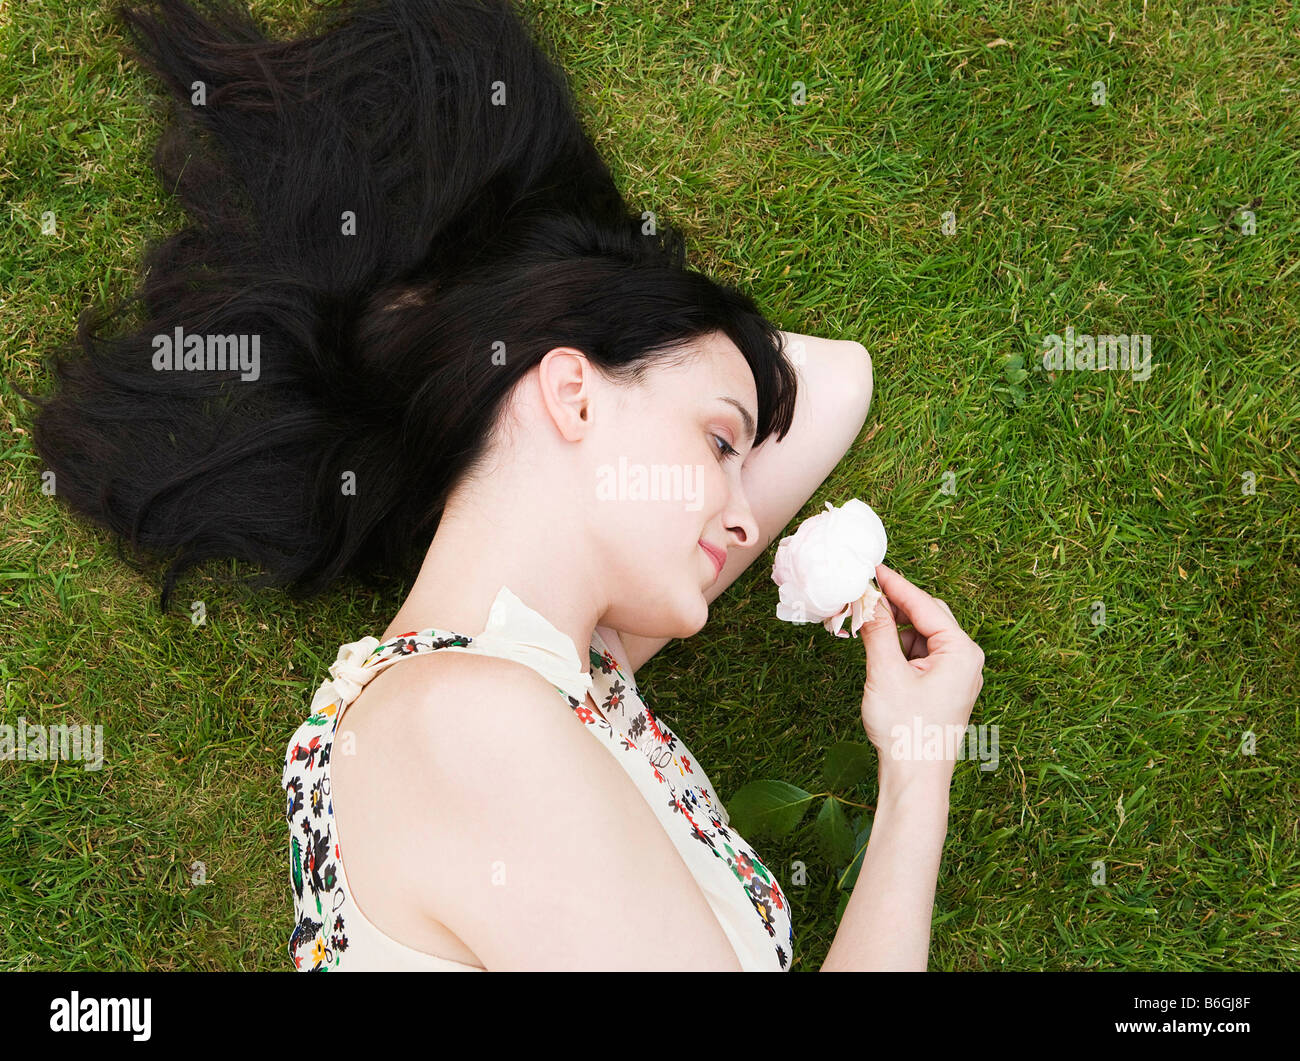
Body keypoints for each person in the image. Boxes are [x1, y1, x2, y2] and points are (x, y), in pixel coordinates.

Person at [22, 0, 984, 971]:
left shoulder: (556, 677)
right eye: (721, 441)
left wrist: (594, 315)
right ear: (570, 393)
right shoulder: (473, 721)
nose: (745, 514)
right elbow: (821, 379)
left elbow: (833, 379)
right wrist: (918, 773)